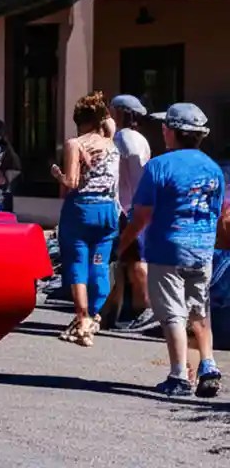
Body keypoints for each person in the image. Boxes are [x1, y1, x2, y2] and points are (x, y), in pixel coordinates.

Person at [117, 103, 225, 397]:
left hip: (167, 249)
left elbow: (141, 217)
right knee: (199, 310)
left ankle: (179, 376)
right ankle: (209, 365)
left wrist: (122, 244)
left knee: (172, 313)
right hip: (202, 248)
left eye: (165, 126)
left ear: (172, 132)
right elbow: (215, 212)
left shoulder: (159, 167)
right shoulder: (214, 169)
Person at [50, 91, 120, 347]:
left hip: (80, 210)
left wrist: (57, 173)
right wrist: (103, 113)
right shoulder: (112, 144)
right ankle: (95, 314)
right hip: (107, 211)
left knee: (78, 263)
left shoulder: (75, 144)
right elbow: (110, 124)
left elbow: (72, 182)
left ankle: (82, 319)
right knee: (99, 264)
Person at [104, 94, 155, 332]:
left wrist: (134, 206)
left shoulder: (125, 139)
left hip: (128, 207)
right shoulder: (136, 138)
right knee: (126, 259)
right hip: (130, 206)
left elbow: (135, 174)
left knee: (135, 258)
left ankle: (144, 306)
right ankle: (121, 309)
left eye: (113, 110)